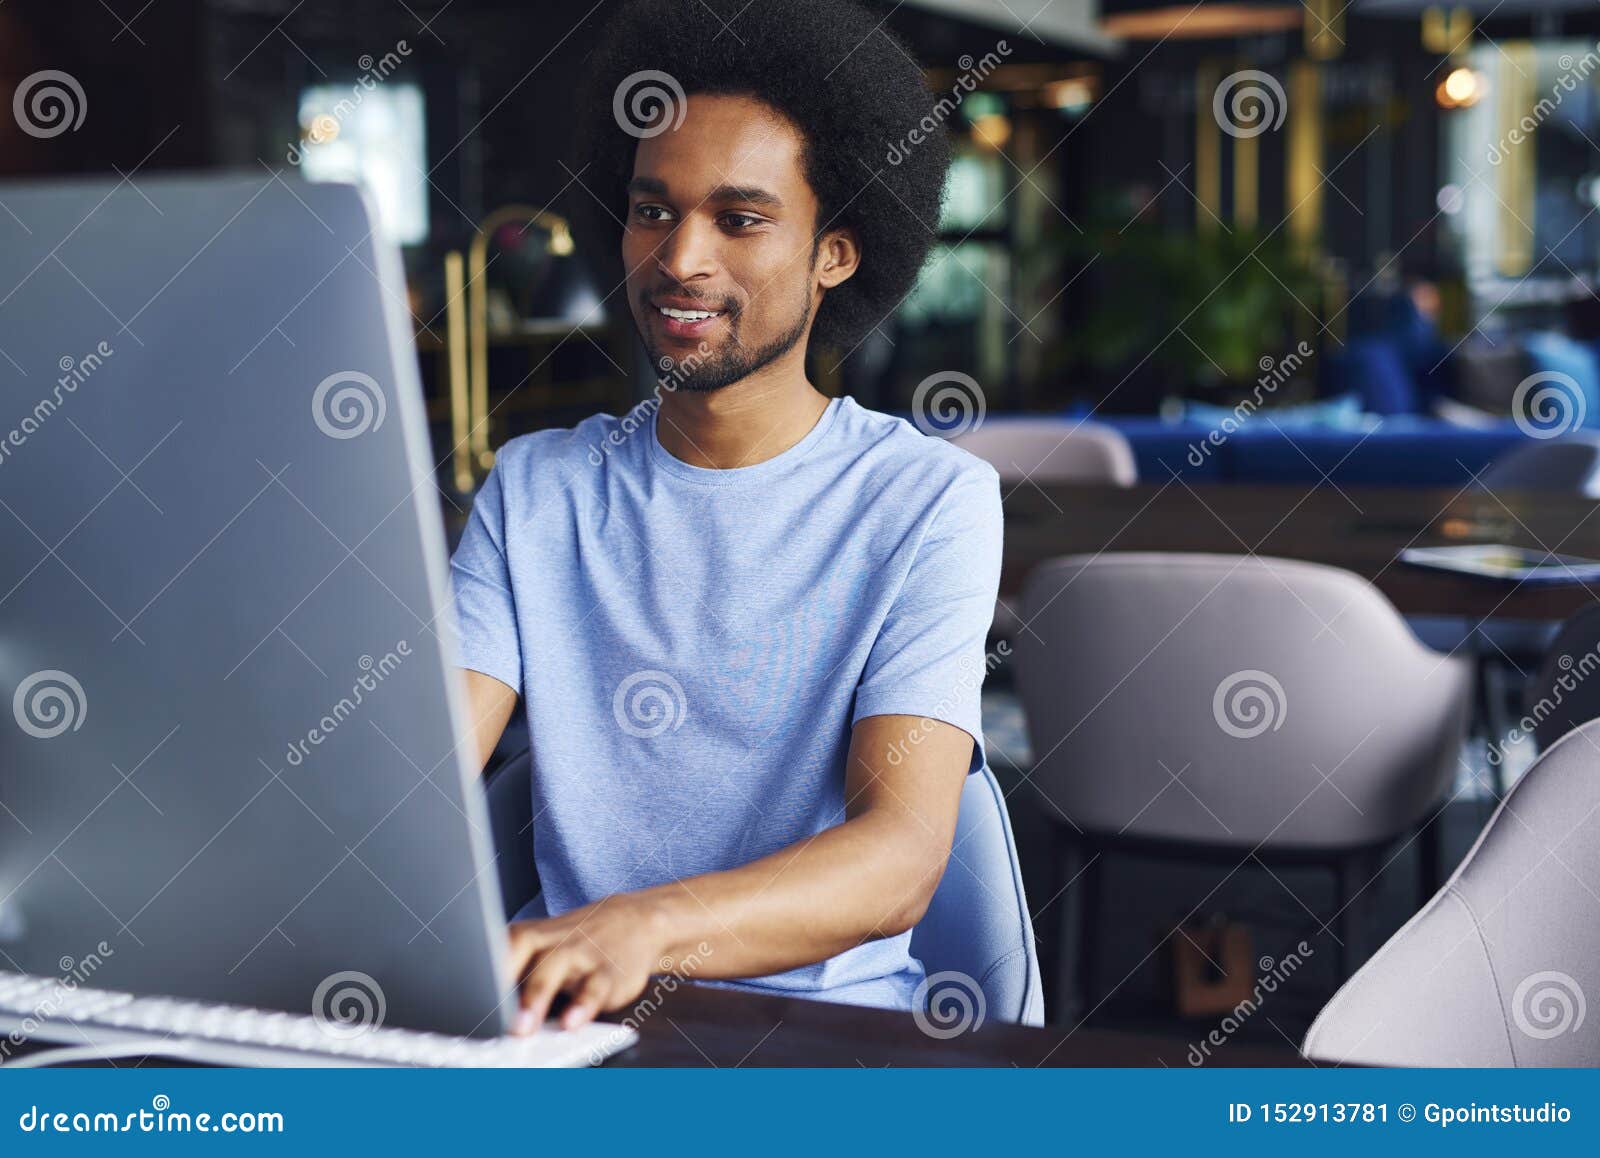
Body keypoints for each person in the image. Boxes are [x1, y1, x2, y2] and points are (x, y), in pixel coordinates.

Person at [448, 0, 1003, 1033]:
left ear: (835, 253)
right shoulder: (535, 489)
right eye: (653, 209)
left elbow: (900, 860)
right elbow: (415, 783)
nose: (679, 258)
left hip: (815, 1036)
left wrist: (642, 929)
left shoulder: (926, 500)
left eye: (739, 220)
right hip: (559, 1024)